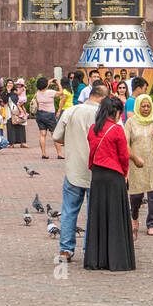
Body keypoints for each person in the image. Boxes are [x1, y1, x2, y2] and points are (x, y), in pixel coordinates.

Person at [53, 83, 104, 260]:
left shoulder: (71, 111)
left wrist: (72, 140)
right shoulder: (103, 115)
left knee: (68, 210)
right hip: (96, 171)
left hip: (73, 170)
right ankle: (89, 248)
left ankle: (65, 249)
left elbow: (56, 136)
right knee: (93, 212)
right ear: (103, 98)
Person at [85, 94, 136, 271]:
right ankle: (117, 259)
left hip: (98, 175)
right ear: (115, 113)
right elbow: (124, 156)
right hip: (114, 175)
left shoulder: (93, 129)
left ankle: (96, 258)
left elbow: (91, 153)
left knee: (98, 216)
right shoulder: (116, 130)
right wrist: (125, 173)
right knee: (115, 216)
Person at [124, 91, 153, 237]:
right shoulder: (131, 122)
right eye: (143, 106)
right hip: (136, 164)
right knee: (136, 196)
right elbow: (125, 142)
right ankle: (135, 216)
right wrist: (131, 159)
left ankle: (152, 224)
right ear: (138, 107)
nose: (145, 109)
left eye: (148, 106)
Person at [33, 75, 64, 159]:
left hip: (39, 114)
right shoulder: (50, 92)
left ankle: (44, 153)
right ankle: (60, 154)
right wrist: (58, 83)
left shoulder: (37, 93)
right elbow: (61, 92)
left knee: (42, 134)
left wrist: (48, 82)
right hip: (49, 115)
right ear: (46, 85)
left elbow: (42, 88)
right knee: (54, 134)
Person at [2, 78, 28, 147]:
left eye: (11, 83)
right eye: (8, 83)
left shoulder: (16, 91)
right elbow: (4, 101)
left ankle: (23, 142)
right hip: (9, 111)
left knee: (21, 125)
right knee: (10, 126)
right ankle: (11, 143)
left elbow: (22, 97)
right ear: (6, 84)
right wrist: (8, 92)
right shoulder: (4, 92)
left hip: (18, 111)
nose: (10, 84)